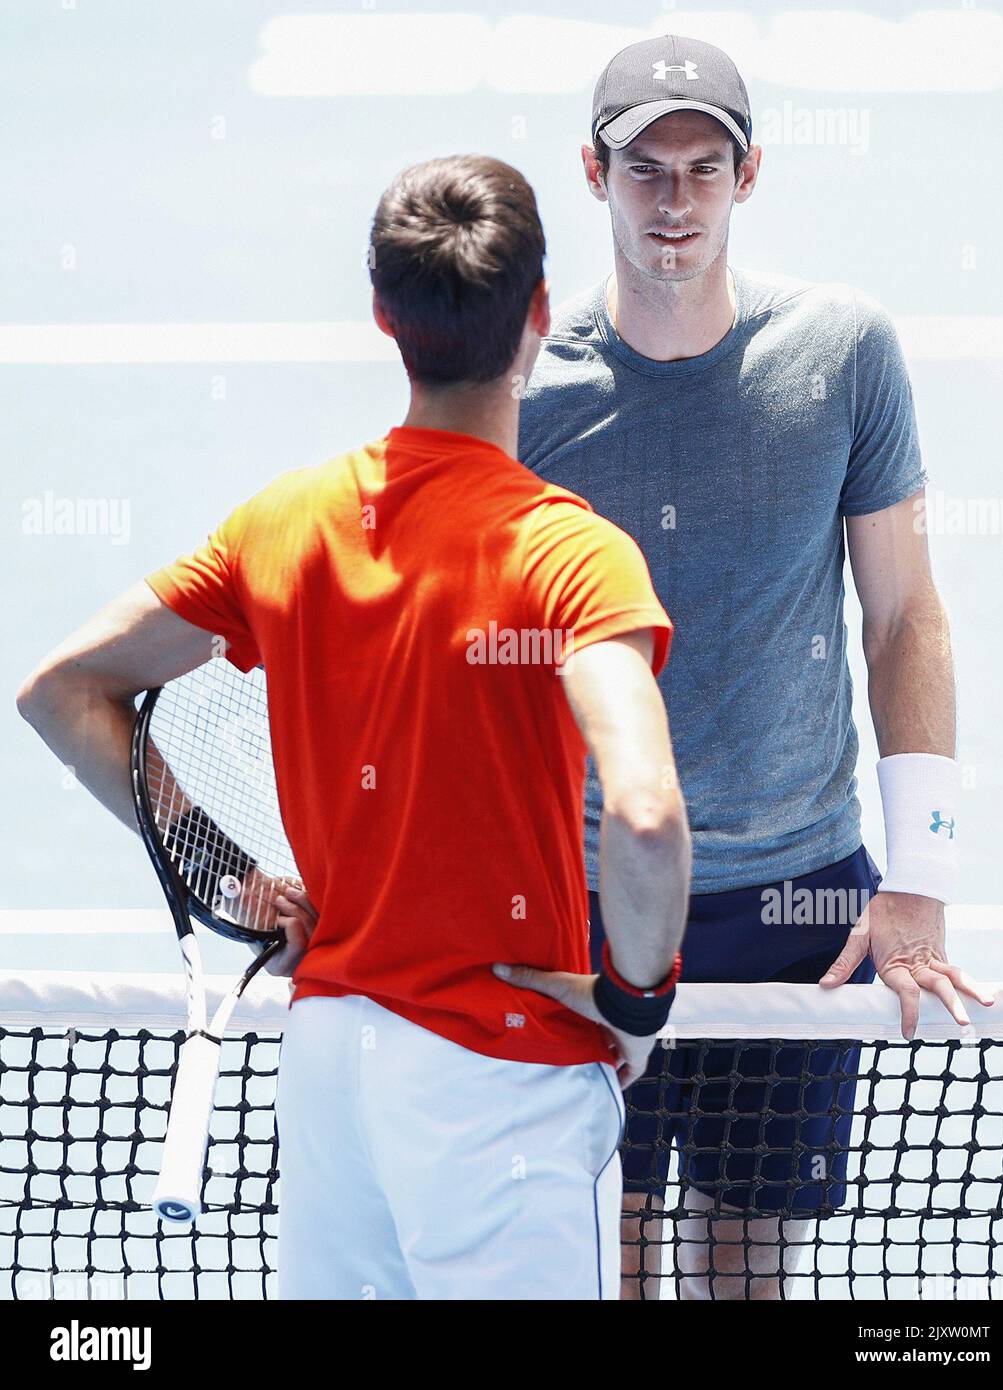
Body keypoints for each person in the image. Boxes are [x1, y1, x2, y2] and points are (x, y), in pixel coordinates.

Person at [16, 154, 691, 1300]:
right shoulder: (571, 553)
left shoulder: (283, 522)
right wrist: (635, 1000)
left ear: (383, 316)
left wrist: (231, 882)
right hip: (504, 1086)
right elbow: (643, 809)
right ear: (538, 315)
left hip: (330, 1079)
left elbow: (60, 690)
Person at [513, 33, 991, 1300]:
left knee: (746, 1289)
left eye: (701, 169)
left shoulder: (843, 354)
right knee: (599, 1279)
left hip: (797, 919)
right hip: (583, 905)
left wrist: (920, 879)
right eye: (644, 171)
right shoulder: (526, 398)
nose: (673, 203)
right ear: (593, 174)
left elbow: (903, 620)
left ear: (747, 174)